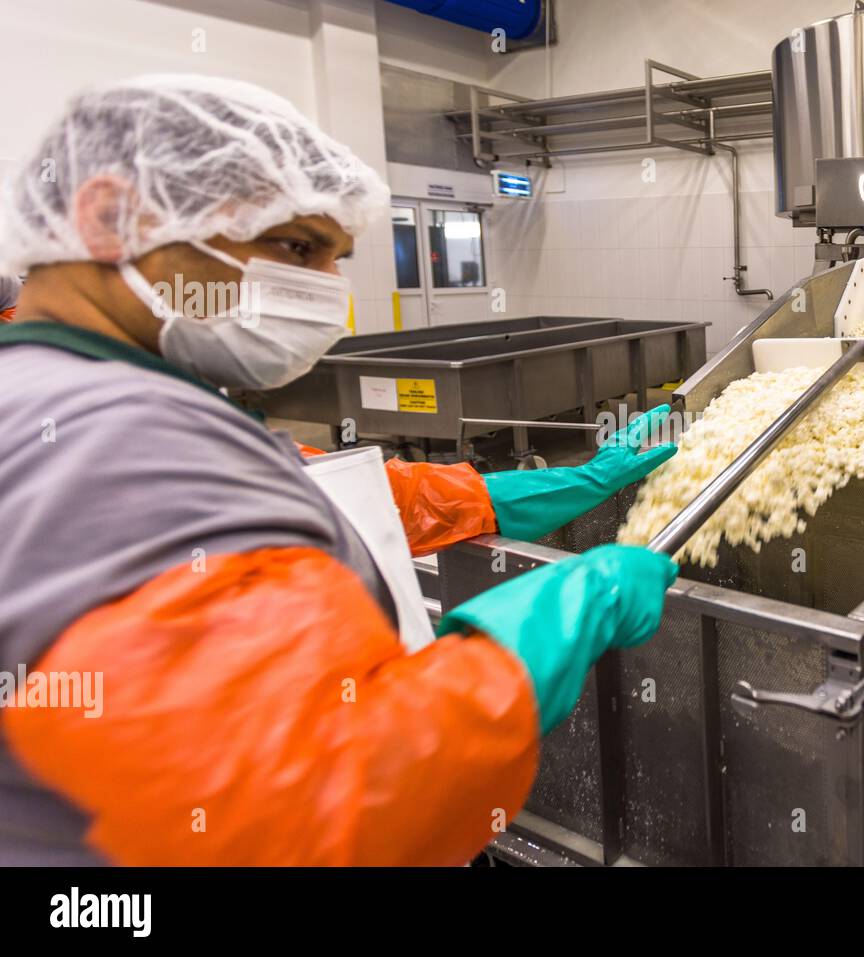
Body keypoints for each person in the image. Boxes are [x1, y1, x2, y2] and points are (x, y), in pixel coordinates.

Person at [0, 74, 678, 866]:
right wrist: (553, 624)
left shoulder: (88, 397)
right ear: (116, 218)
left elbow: (328, 489)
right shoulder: (107, 442)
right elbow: (317, 815)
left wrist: (563, 482)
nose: (326, 290)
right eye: (294, 247)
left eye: (335, 256)